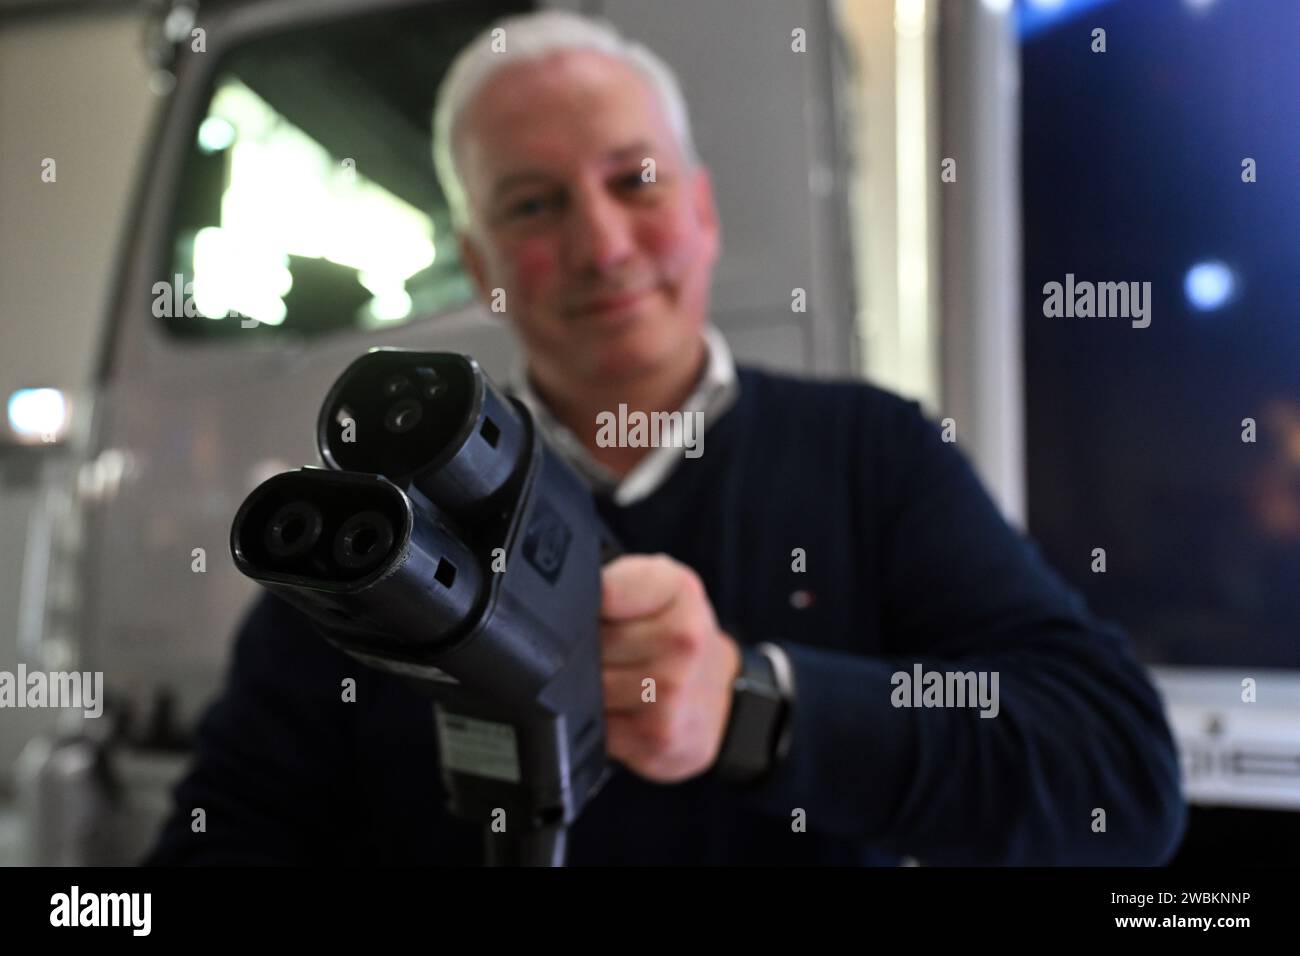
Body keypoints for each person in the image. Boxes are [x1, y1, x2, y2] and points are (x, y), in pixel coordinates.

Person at [144, 9, 1185, 865]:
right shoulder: (386, 529)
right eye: (534, 203)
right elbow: (222, 837)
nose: (599, 242)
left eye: (632, 181)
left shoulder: (871, 455)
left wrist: (760, 704)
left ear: (701, 209)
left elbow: (1119, 777)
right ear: (481, 260)